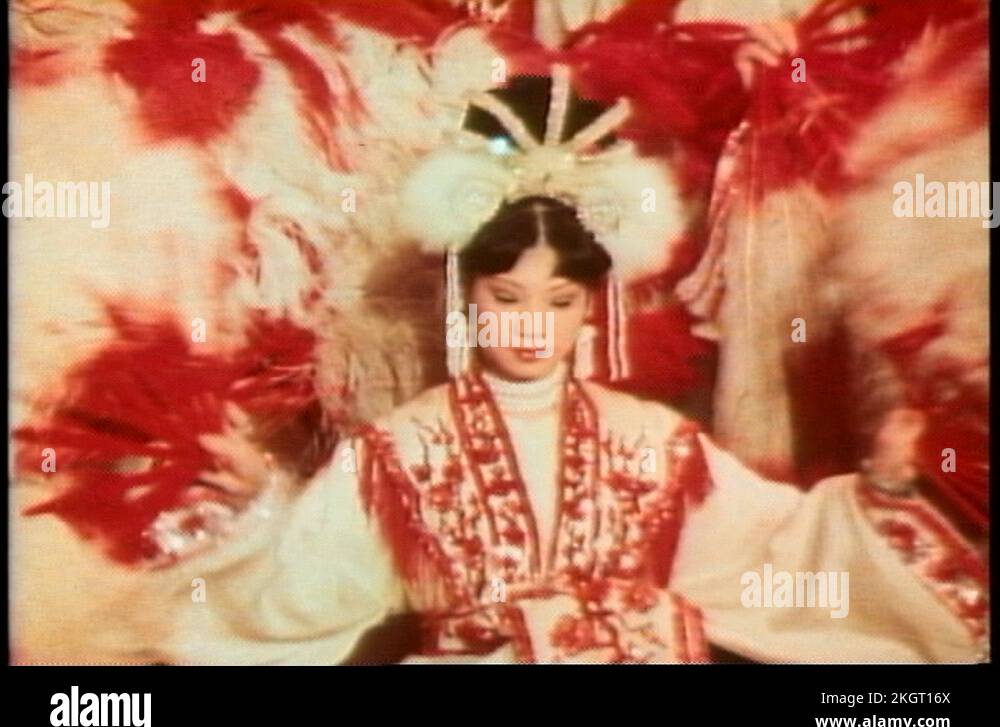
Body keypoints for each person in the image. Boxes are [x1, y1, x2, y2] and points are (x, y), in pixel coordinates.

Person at [143, 189, 985, 665]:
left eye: (559, 302)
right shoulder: (401, 448)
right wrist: (259, 510)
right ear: (469, 300)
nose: (530, 326)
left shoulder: (655, 442)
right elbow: (302, 592)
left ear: (590, 309)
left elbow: (779, 554)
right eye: (506, 300)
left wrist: (883, 489)